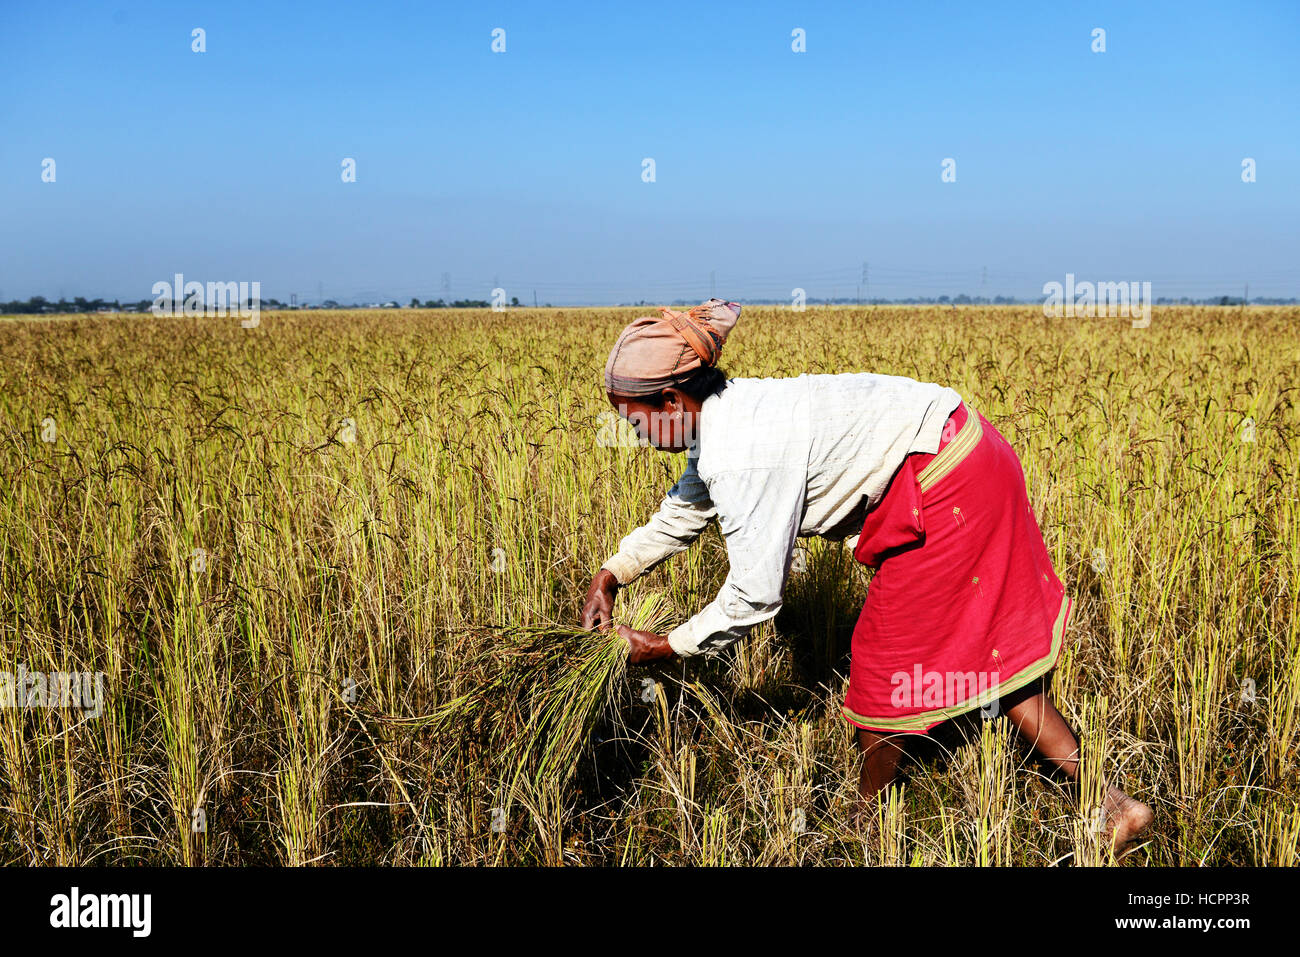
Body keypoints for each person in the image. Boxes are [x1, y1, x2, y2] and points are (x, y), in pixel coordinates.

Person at [581, 297, 1153, 851]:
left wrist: (668, 647)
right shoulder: (727, 415)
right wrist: (611, 575)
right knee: (988, 650)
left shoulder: (742, 450)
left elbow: (755, 594)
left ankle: (866, 821)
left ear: (674, 402)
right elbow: (686, 509)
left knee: (883, 661)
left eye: (636, 422)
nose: (635, 435)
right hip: (970, 451)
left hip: (946, 482)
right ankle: (1115, 807)